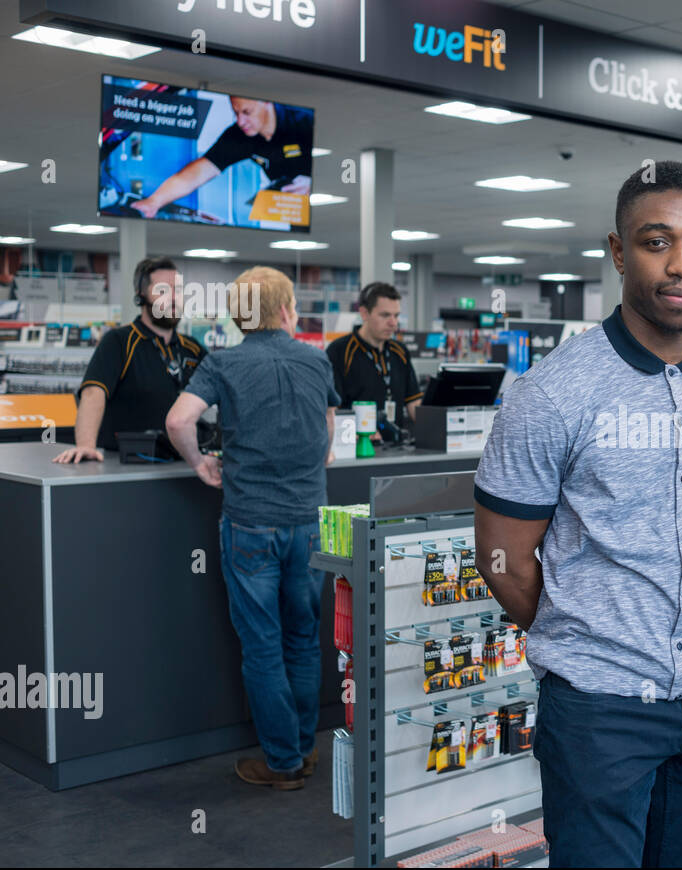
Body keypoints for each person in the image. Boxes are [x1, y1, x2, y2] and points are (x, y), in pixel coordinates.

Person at [472, 160, 682, 867]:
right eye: (657, 241)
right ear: (618, 251)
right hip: (600, 710)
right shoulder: (552, 393)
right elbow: (503, 558)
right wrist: (591, 630)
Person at [166, 266, 339, 790]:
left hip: (250, 524)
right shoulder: (316, 359)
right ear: (285, 310)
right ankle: (304, 751)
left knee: (263, 645)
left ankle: (283, 763)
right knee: (303, 640)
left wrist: (200, 463)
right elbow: (327, 431)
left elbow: (178, 420)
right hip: (309, 523)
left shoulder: (223, 362)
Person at [54, 256, 206, 463]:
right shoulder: (119, 341)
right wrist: (86, 445)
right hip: (128, 465)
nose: (173, 298)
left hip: (185, 463)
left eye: (177, 290)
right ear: (141, 296)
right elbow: (93, 393)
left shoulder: (192, 349)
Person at [130, 95, 312, 221]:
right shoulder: (239, 135)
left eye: (247, 112)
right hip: (293, 208)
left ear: (267, 103)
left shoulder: (304, 120)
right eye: (236, 113)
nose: (241, 121)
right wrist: (154, 201)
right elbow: (199, 171)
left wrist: (313, 183)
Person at [325, 282, 423, 433]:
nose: (393, 323)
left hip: (397, 442)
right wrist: (359, 433)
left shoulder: (400, 352)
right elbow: (332, 409)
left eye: (396, 315)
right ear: (364, 313)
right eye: (385, 315)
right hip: (356, 442)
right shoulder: (339, 351)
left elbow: (413, 403)